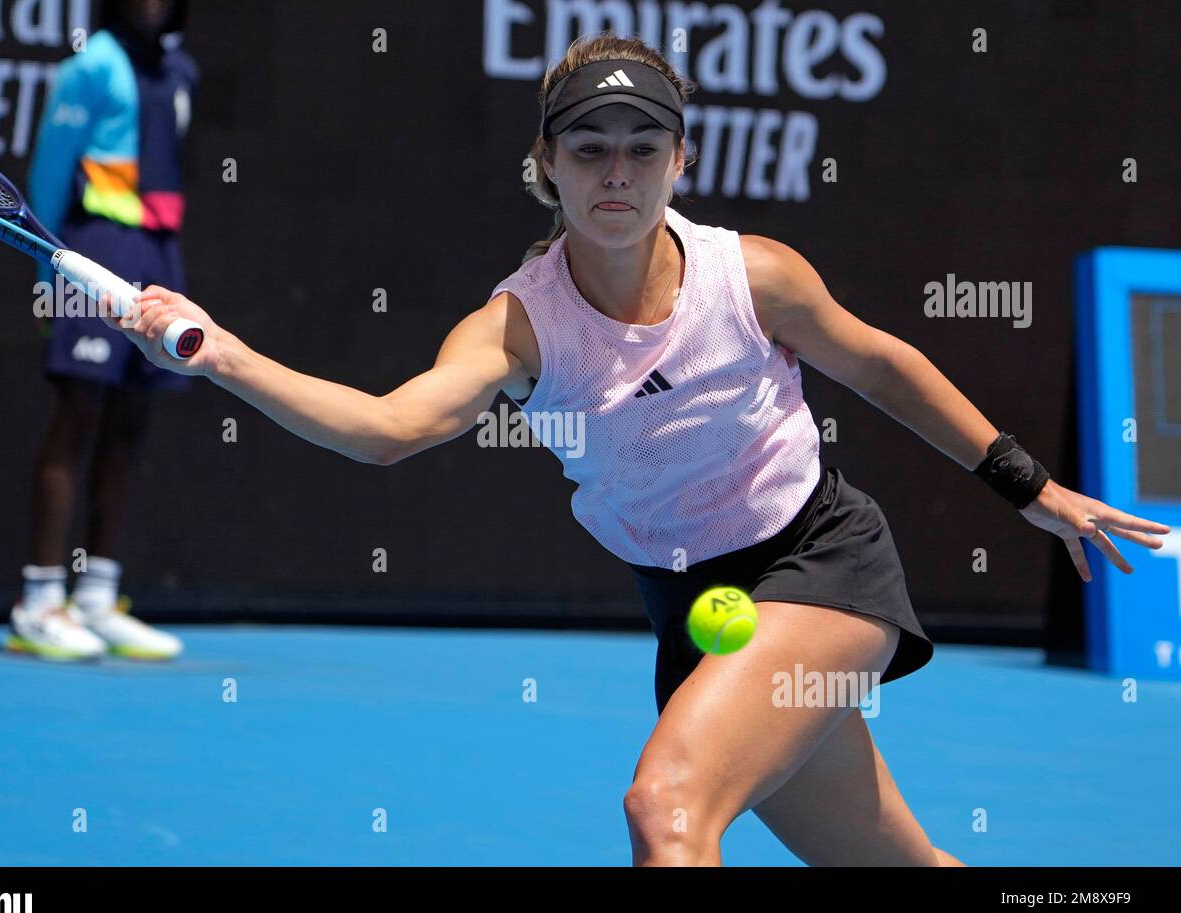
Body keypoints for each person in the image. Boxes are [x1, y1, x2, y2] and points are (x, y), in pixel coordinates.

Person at [96, 33, 1171, 864]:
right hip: (693, 610)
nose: (617, 174)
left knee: (665, 809)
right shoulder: (517, 325)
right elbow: (392, 429)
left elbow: (883, 367)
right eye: (590, 150)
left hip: (823, 567)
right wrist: (226, 356)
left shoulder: (752, 275)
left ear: (680, 158)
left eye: (642, 149)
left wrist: (1031, 487)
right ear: (547, 164)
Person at [7, 0, 195, 662]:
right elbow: (48, 177)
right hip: (91, 248)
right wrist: (43, 273)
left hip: (156, 252)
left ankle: (96, 596)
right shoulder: (89, 69)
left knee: (131, 419)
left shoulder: (179, 72)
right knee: (78, 413)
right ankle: (39, 601)